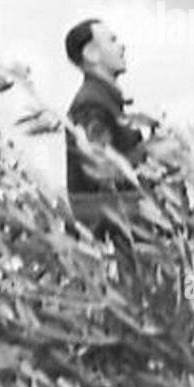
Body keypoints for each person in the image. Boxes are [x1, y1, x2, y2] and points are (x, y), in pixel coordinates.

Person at [64, 19, 146, 235]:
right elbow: (103, 173)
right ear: (91, 53)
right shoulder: (91, 104)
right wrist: (153, 154)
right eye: (112, 40)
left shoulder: (102, 100)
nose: (121, 46)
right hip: (112, 234)